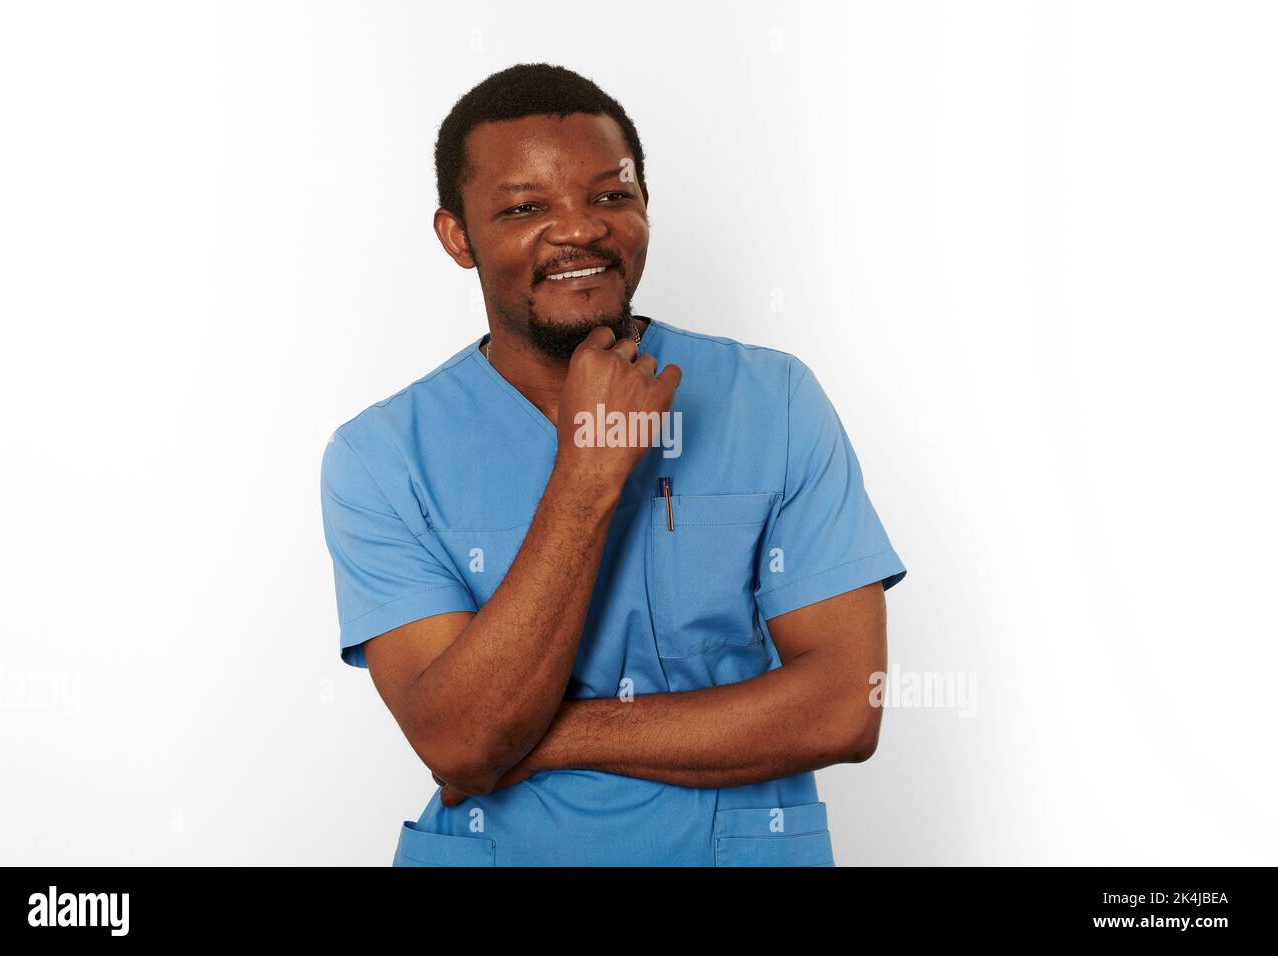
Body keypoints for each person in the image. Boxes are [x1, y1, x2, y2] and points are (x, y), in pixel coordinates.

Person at [319, 62, 907, 866]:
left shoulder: (773, 400)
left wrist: (545, 739)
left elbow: (843, 708)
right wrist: (588, 473)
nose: (580, 230)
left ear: (644, 205)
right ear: (457, 236)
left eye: (609, 196)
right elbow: (461, 742)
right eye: (525, 208)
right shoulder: (380, 457)